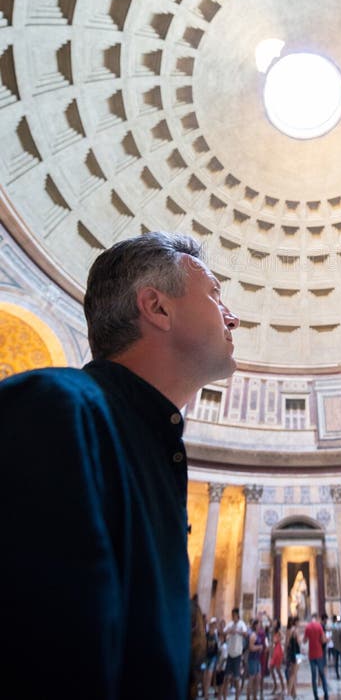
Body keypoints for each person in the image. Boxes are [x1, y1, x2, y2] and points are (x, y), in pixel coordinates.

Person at [0, 231, 239, 700]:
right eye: (214, 295)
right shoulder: (54, 409)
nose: (232, 315)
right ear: (158, 308)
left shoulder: (154, 449)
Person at [305, 611, 329, 700]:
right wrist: (327, 640)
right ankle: (326, 693)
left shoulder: (307, 627)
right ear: (317, 618)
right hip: (319, 653)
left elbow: (304, 640)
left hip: (311, 654)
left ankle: (316, 696)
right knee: (322, 675)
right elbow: (323, 640)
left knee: (313, 676)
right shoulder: (319, 626)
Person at [224, 608, 248, 700]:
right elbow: (223, 631)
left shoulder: (241, 624)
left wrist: (238, 631)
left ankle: (237, 698)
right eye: (232, 615)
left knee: (237, 678)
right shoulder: (230, 624)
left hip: (237, 654)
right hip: (230, 653)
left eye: (234, 615)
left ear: (237, 615)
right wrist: (229, 631)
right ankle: (224, 697)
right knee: (226, 678)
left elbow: (246, 633)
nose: (233, 617)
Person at [286, 616, 301, 700]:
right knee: (294, 674)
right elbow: (299, 642)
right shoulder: (295, 630)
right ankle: (288, 693)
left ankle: (294, 693)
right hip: (297, 653)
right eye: (298, 622)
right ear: (296, 622)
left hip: (292, 653)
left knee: (294, 673)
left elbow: (287, 643)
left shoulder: (290, 630)